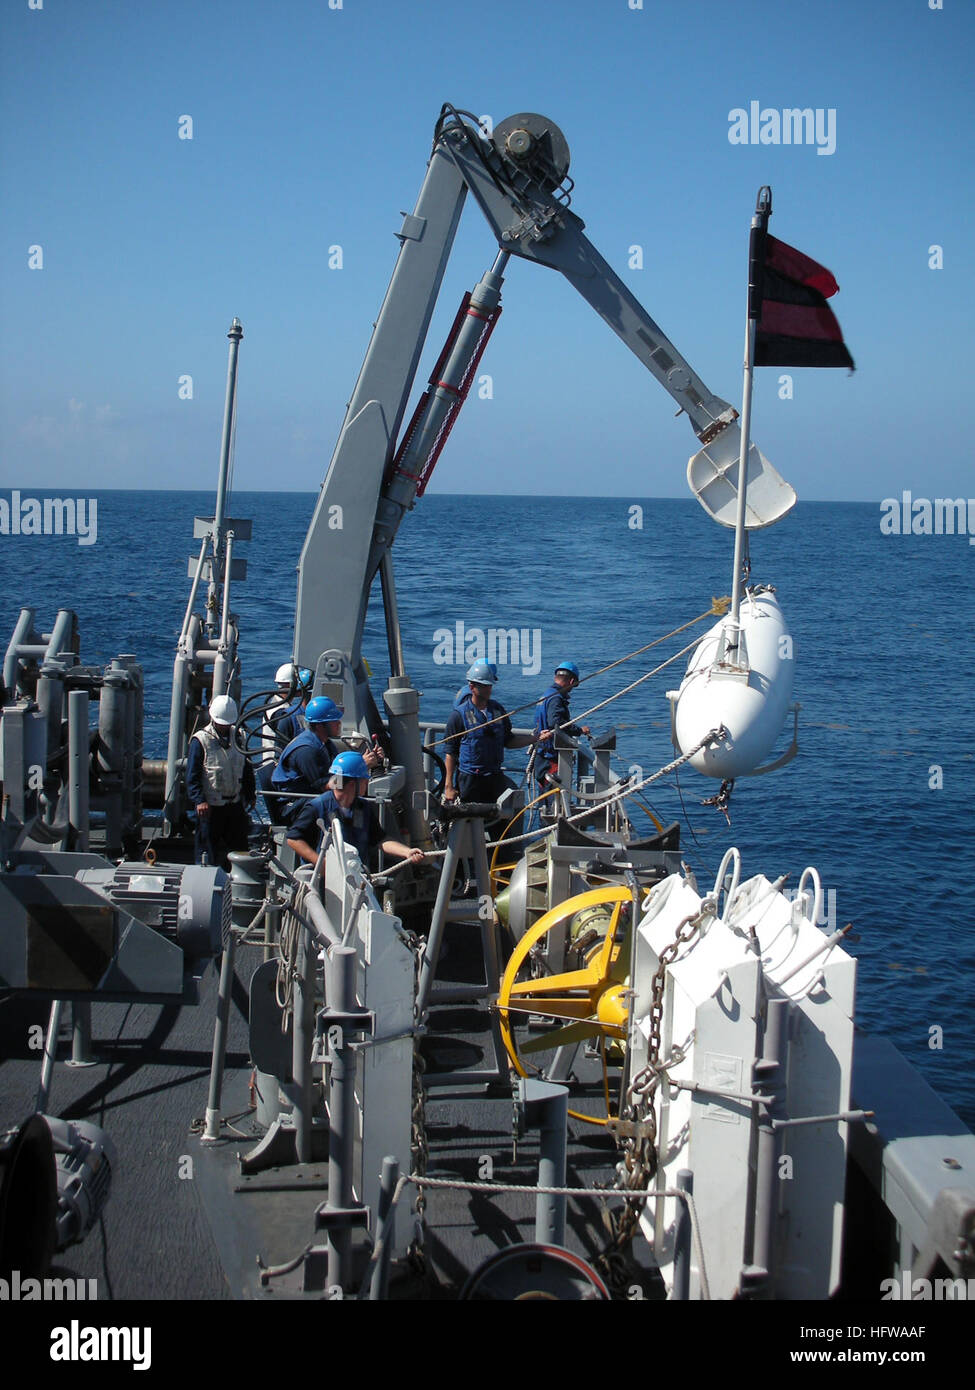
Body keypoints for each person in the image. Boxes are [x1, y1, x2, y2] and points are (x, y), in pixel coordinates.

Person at [287, 751, 424, 872]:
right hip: (325, 883)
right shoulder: (317, 807)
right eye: (365, 780)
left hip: (355, 877)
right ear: (353, 784)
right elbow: (293, 839)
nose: (367, 783)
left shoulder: (362, 807)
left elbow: (380, 839)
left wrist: (407, 852)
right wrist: (321, 864)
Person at [270, 695, 381, 823]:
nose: (339, 724)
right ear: (320, 726)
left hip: (310, 798)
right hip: (295, 805)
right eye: (334, 721)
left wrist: (370, 760)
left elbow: (336, 772)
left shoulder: (324, 742)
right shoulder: (307, 750)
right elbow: (327, 785)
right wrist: (362, 766)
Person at [186, 694, 255, 868]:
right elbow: (192, 775)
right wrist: (199, 800)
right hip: (211, 808)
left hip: (234, 804)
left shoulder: (239, 737)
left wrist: (250, 793)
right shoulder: (200, 741)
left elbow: (246, 768)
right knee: (207, 852)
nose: (225, 727)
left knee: (240, 849)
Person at [443, 661, 525, 805]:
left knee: (500, 820)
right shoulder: (458, 715)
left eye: (489, 685)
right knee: (470, 822)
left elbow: (509, 740)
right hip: (470, 780)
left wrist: (535, 738)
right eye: (484, 686)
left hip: (494, 777)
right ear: (472, 687)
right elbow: (450, 752)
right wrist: (448, 786)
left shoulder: (497, 710)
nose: (488, 689)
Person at [533, 660, 591, 788]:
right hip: (551, 758)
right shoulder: (556, 698)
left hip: (542, 755)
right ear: (571, 681)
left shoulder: (546, 695)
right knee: (554, 797)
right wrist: (579, 730)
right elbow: (556, 723)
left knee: (545, 798)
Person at [258, 664, 313, 791]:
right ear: (292, 685)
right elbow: (286, 724)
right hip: (276, 768)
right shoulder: (278, 711)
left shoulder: (279, 704)